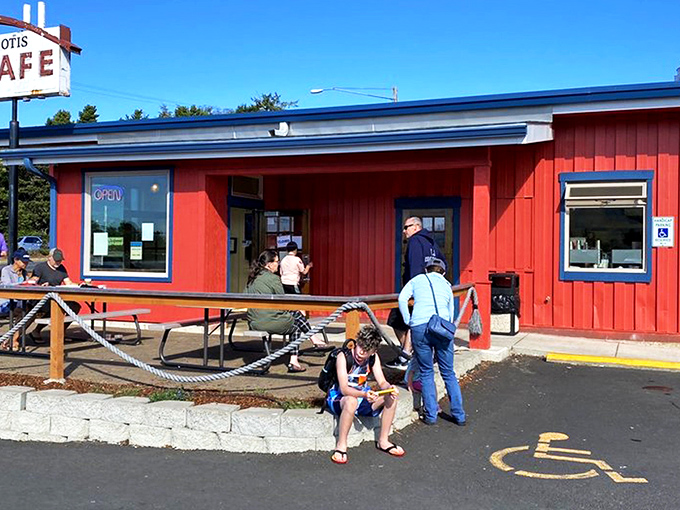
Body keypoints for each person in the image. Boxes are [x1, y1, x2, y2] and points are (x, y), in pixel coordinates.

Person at [398, 256, 466, 426]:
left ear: (426, 269)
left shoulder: (417, 279)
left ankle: (431, 416)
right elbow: (450, 312)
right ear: (443, 272)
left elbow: (402, 298)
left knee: (427, 372)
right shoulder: (447, 285)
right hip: (442, 328)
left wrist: (409, 320)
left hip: (420, 326)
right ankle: (459, 415)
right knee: (448, 373)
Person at [326, 326, 404, 464]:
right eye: (360, 346)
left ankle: (383, 441)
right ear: (356, 342)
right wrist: (364, 394)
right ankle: (341, 445)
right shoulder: (343, 356)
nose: (361, 352)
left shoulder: (373, 358)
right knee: (351, 401)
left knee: (391, 397)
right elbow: (344, 389)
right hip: (340, 398)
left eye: (367, 350)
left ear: (373, 351)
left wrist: (389, 388)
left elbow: (382, 381)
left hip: (362, 397)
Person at [245, 249, 326, 373]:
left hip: (254, 322)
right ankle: (296, 359)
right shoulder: (273, 279)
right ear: (269, 264)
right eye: (276, 262)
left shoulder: (251, 279)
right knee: (296, 322)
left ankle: (313, 340)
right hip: (269, 321)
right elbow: (284, 302)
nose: (278, 264)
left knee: (295, 314)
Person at [386, 216, 445, 370]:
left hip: (416, 290)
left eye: (407, 227)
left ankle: (406, 355)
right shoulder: (432, 242)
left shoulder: (415, 241)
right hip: (430, 290)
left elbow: (415, 267)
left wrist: (414, 289)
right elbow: (443, 263)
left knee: (399, 320)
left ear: (416, 227)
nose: (404, 231)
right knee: (406, 321)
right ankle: (411, 355)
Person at [27, 248, 82, 343]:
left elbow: (68, 283)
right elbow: (32, 282)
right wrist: (41, 286)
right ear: (49, 258)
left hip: (56, 298)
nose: (58, 262)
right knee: (54, 307)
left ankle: (60, 330)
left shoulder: (62, 268)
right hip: (41, 298)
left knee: (75, 306)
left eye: (60, 260)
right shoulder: (40, 267)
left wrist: (81, 285)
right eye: (56, 260)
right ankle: (37, 331)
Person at [0, 249, 31, 350]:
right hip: (6, 301)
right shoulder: (7, 270)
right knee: (24, 312)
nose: (26, 263)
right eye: (23, 261)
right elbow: (6, 285)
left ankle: (12, 339)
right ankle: (12, 340)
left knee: (29, 312)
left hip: (20, 301)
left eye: (27, 261)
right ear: (16, 260)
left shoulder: (24, 273)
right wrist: (23, 284)